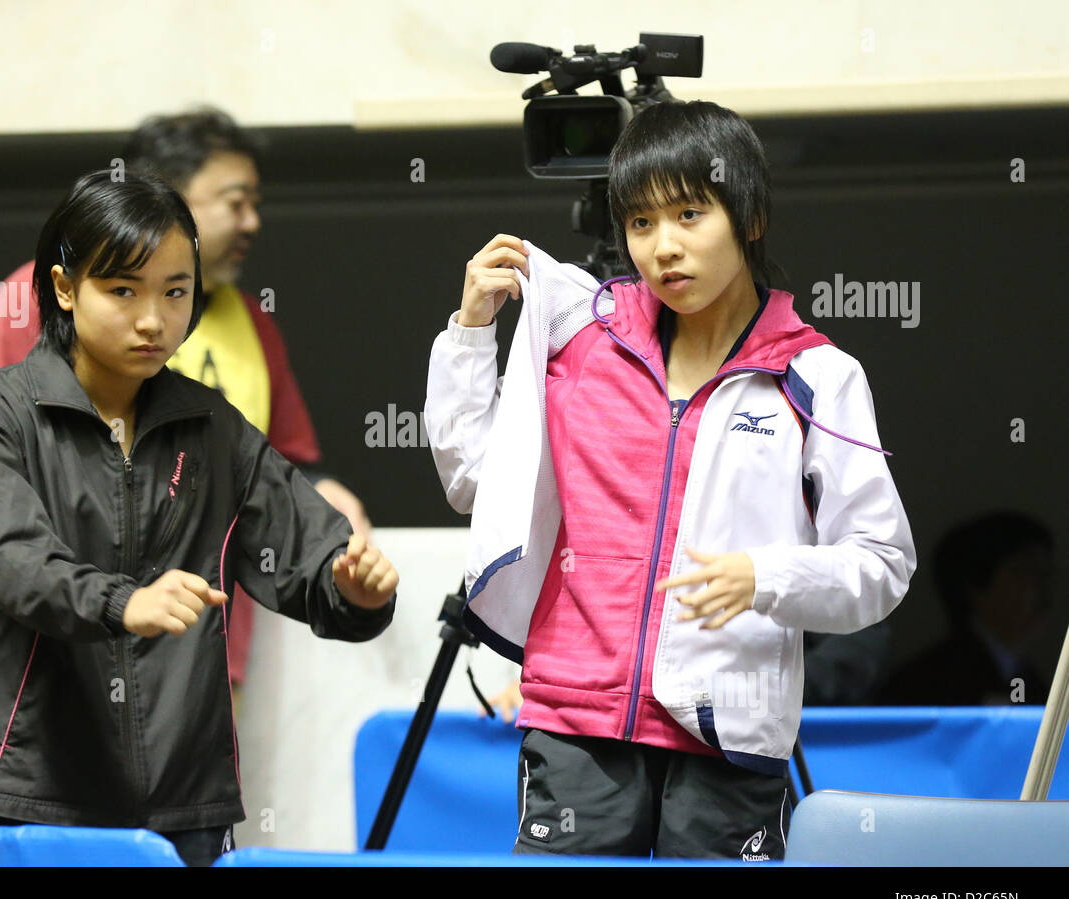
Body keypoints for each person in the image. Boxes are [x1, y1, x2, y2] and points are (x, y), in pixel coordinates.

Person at [425, 100, 915, 860]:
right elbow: (475, 485)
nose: (665, 247)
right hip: (573, 718)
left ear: (748, 217)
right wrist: (468, 335)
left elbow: (883, 566)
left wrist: (765, 576)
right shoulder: (579, 344)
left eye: (691, 214)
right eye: (643, 223)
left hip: (727, 729)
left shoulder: (817, 375)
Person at [0, 170, 398, 867]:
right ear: (64, 288)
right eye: (123, 290)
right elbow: (14, 567)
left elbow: (310, 558)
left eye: (175, 292)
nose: (153, 319)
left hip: (187, 807)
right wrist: (126, 602)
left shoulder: (212, 427)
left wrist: (354, 592)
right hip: (31, 793)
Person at [0, 108, 372, 701]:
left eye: (175, 295)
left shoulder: (251, 321)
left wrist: (331, 521)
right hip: (59, 660)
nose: (252, 221)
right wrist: (114, 599)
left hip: (200, 652)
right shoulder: (32, 301)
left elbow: (282, 470)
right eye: (235, 200)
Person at [876, 511, 1054, 705]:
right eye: (1023, 572)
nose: (1040, 588)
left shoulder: (1028, 677)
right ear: (974, 586)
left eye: (1046, 575)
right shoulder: (930, 681)